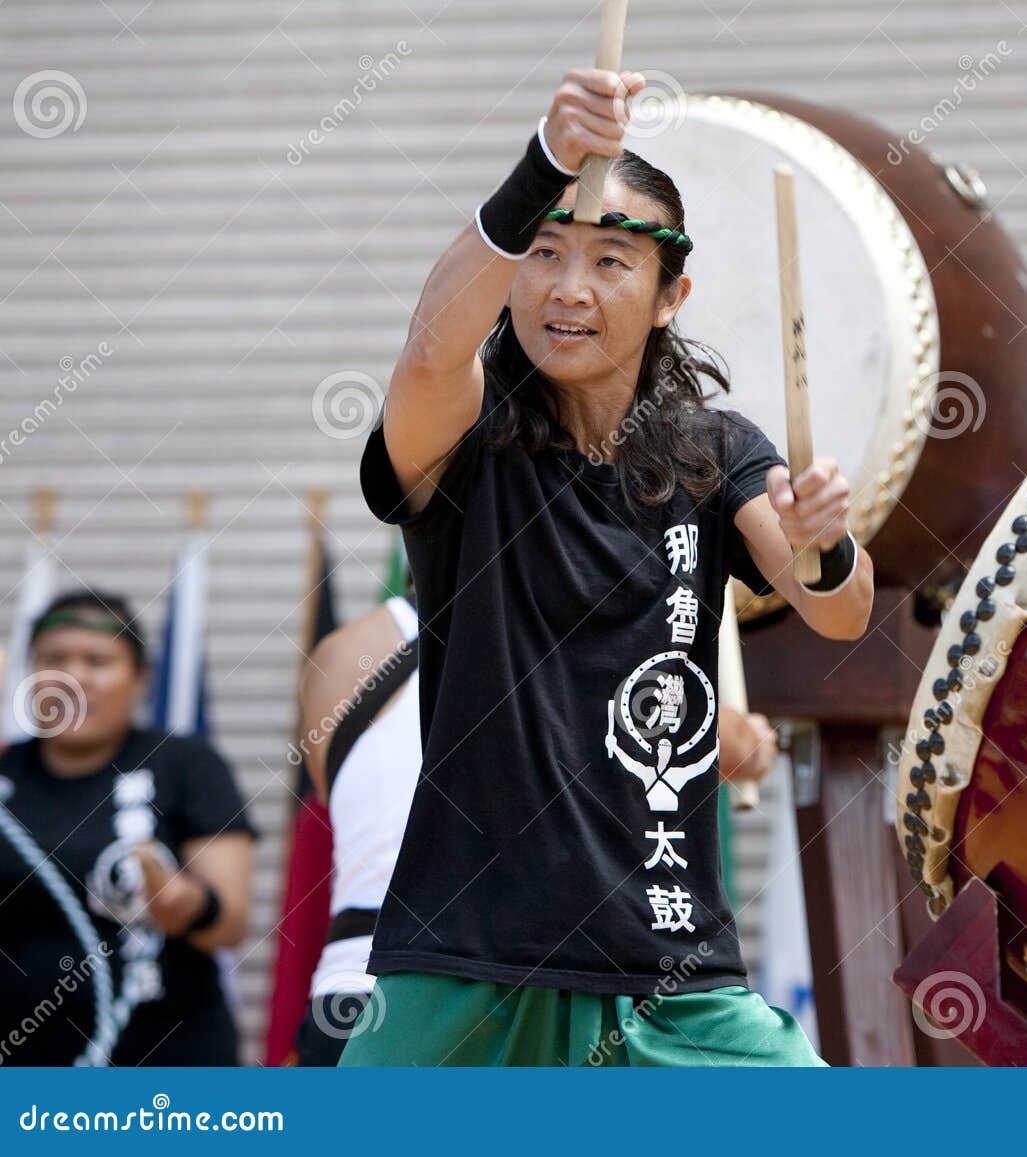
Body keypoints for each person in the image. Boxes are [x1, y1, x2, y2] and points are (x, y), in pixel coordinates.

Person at [340, 65, 872, 1067]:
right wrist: (542, 163)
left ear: (671, 295)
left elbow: (832, 608)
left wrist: (825, 540)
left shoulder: (713, 451)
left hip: (667, 966)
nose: (568, 288)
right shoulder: (468, 446)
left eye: (610, 260)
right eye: (543, 254)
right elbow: (424, 354)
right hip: (467, 956)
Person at [291, 582, 782, 1065]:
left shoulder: (337, 657)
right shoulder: (575, 635)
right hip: (479, 1004)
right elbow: (730, 746)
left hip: (348, 1002)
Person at [0, 589, 254, 1066]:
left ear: (141, 678)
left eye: (97, 661)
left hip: (166, 1071)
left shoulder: (185, 765)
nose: (74, 678)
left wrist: (186, 904)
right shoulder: (6, 770)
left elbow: (230, 924)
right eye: (53, 659)